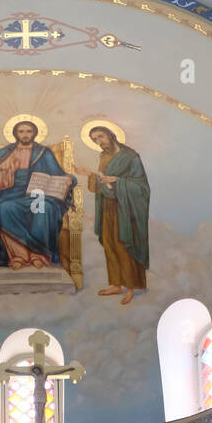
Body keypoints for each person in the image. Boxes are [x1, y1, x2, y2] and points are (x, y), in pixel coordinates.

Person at [0, 119, 74, 270]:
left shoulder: (44, 152)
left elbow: (59, 174)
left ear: (35, 133)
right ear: (15, 133)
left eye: (29, 131)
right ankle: (18, 256)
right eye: (21, 131)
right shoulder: (6, 152)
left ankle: (39, 255)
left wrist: (71, 180)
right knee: (4, 208)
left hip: (40, 194)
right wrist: (8, 171)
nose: (25, 135)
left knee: (44, 209)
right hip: (12, 194)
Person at [78, 125, 149, 306]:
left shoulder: (131, 157)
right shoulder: (104, 157)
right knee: (109, 244)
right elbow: (101, 183)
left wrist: (118, 181)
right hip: (107, 206)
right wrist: (91, 176)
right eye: (95, 140)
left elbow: (141, 186)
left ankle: (131, 287)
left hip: (126, 209)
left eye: (101, 137)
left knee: (124, 244)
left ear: (111, 135)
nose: (99, 142)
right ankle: (116, 284)